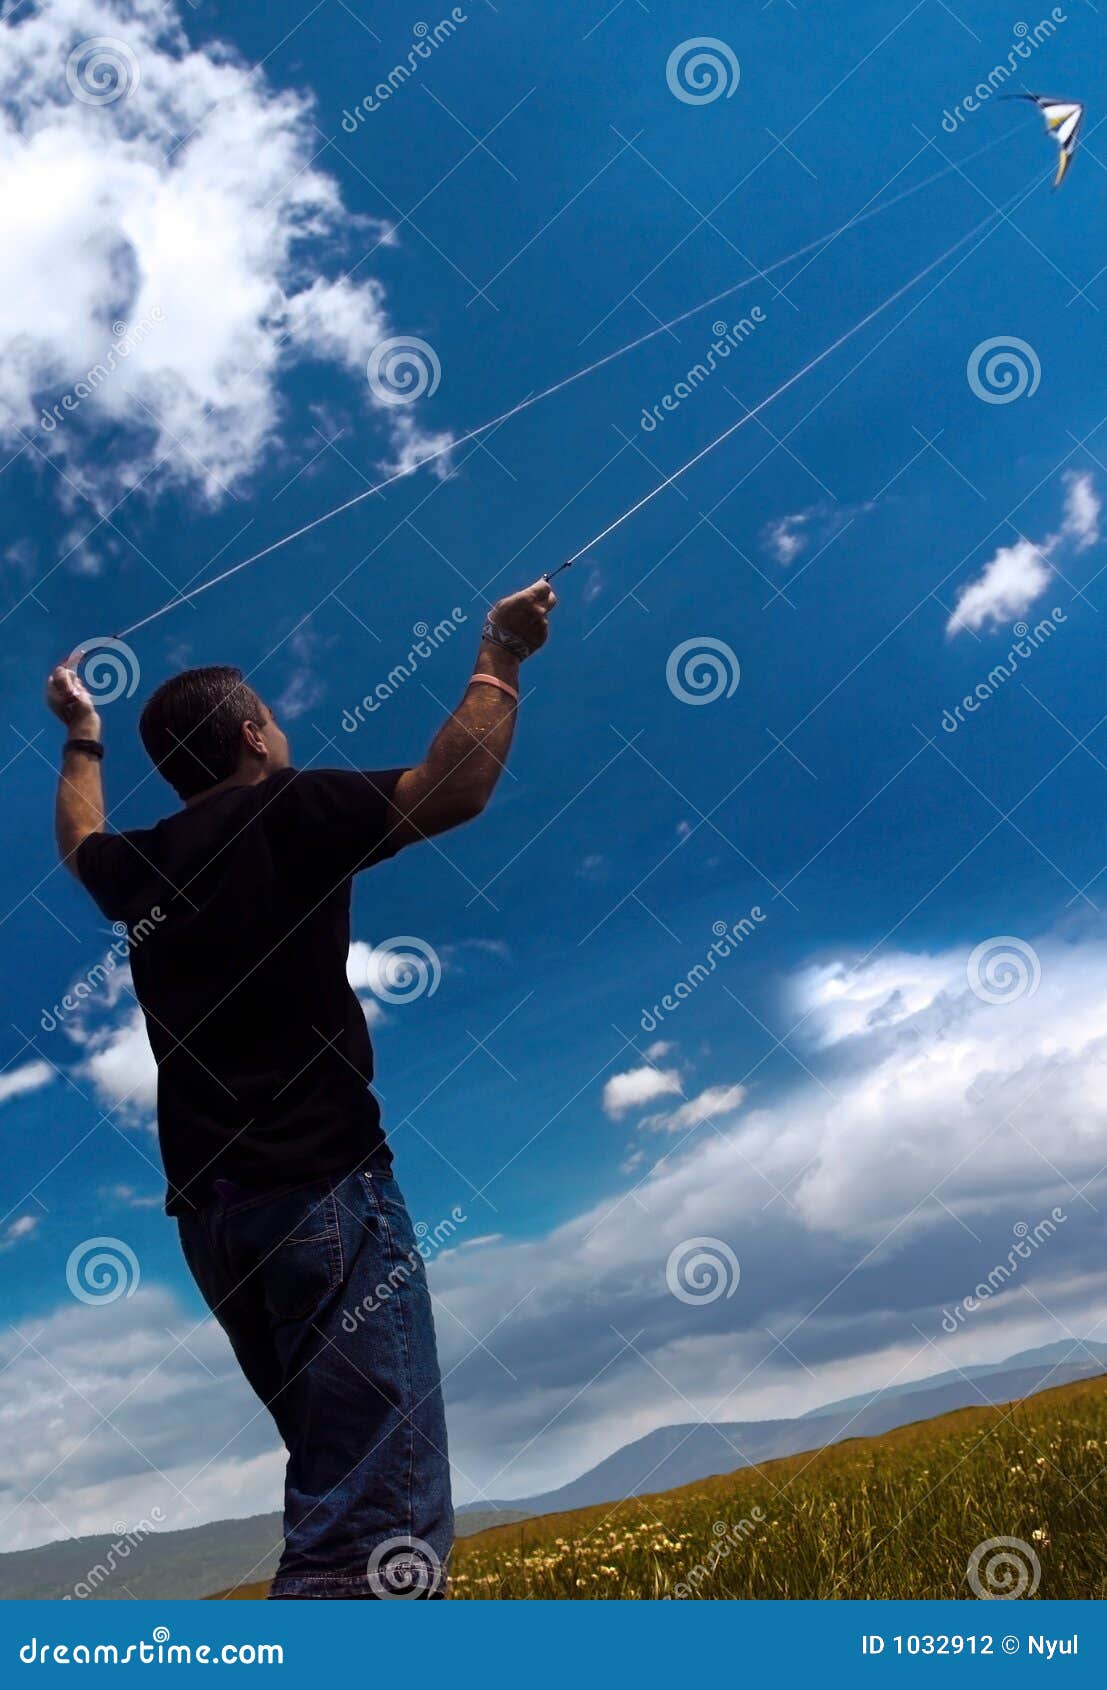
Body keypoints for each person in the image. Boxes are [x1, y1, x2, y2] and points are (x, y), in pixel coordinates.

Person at [45, 579, 556, 1599]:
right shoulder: (291, 807)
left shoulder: (142, 865)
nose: (281, 730)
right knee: (373, 1528)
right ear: (250, 732)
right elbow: (452, 789)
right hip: (323, 1196)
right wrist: (500, 655)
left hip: (216, 1227)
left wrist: (82, 737)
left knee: (342, 1488)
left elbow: (79, 845)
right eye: (272, 717)